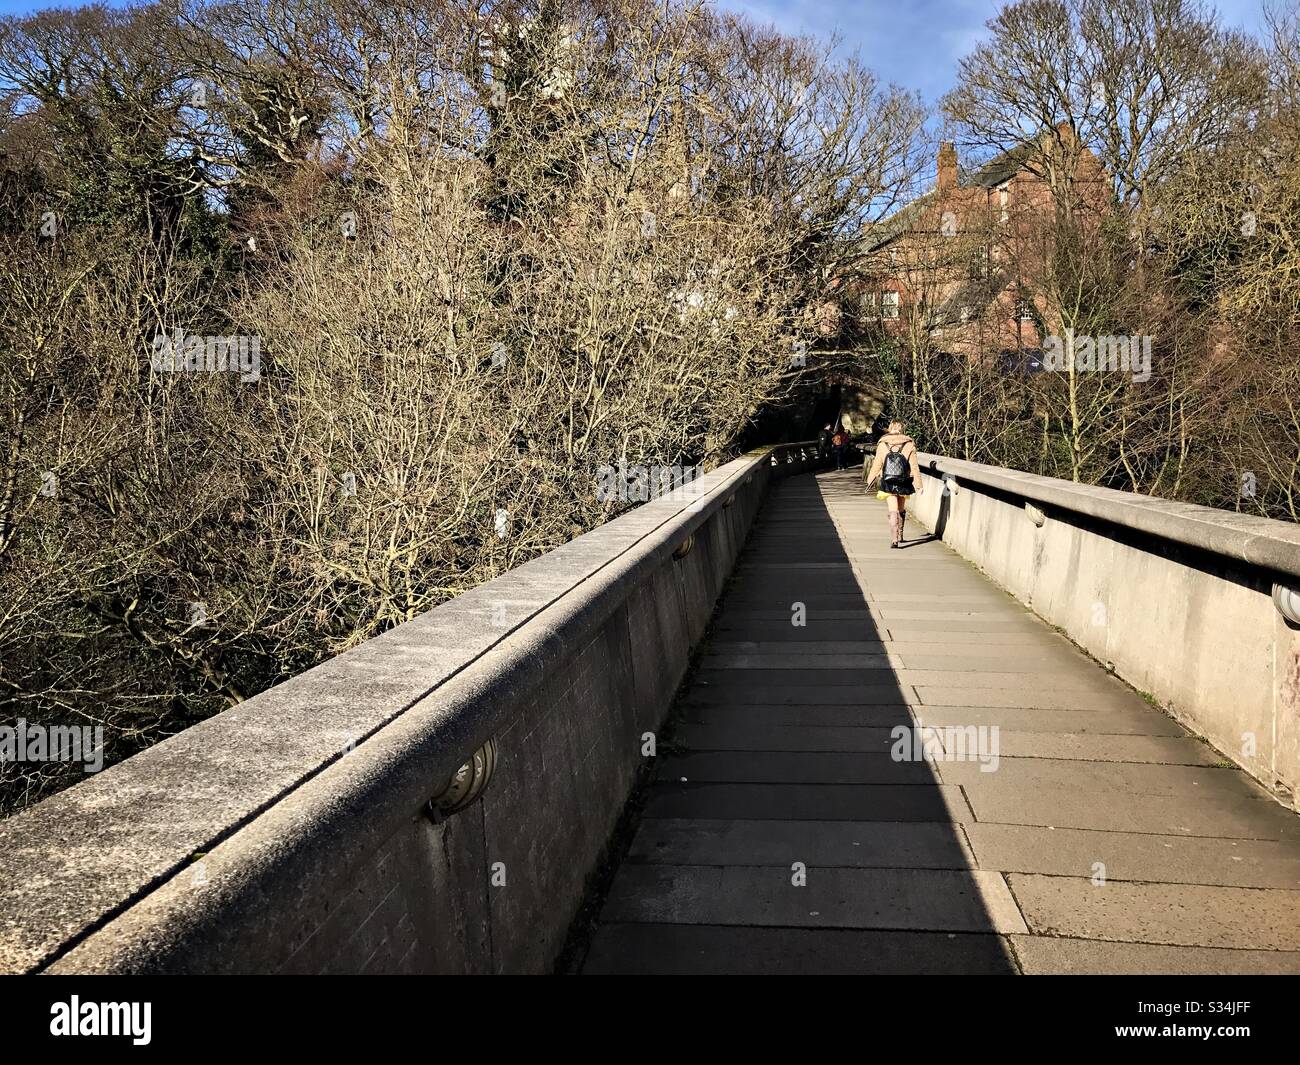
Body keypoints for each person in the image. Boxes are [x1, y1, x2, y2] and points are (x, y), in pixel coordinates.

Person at [865, 420, 922, 547]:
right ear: (902, 429)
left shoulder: (882, 444)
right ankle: (901, 534)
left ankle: (894, 539)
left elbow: (877, 465)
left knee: (893, 510)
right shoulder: (909, 444)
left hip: (888, 481)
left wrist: (870, 480)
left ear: (890, 429)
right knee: (901, 510)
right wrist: (919, 485)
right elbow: (914, 467)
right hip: (904, 481)